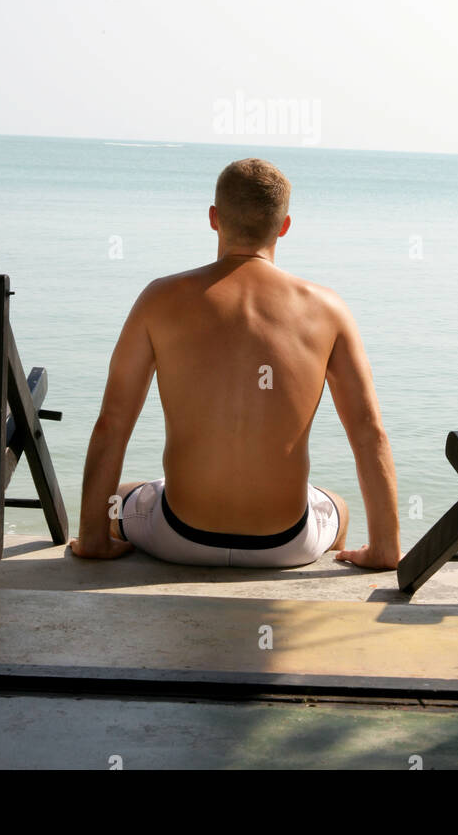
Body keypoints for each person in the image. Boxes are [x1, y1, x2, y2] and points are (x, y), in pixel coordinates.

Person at [71, 158, 401, 570]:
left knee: (120, 497)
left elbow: (112, 423)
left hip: (180, 536)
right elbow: (369, 431)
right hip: (285, 545)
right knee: (339, 507)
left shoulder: (159, 300)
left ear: (213, 218)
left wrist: (92, 541)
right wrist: (386, 548)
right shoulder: (327, 309)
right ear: (284, 226)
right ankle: (375, 550)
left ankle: (100, 537)